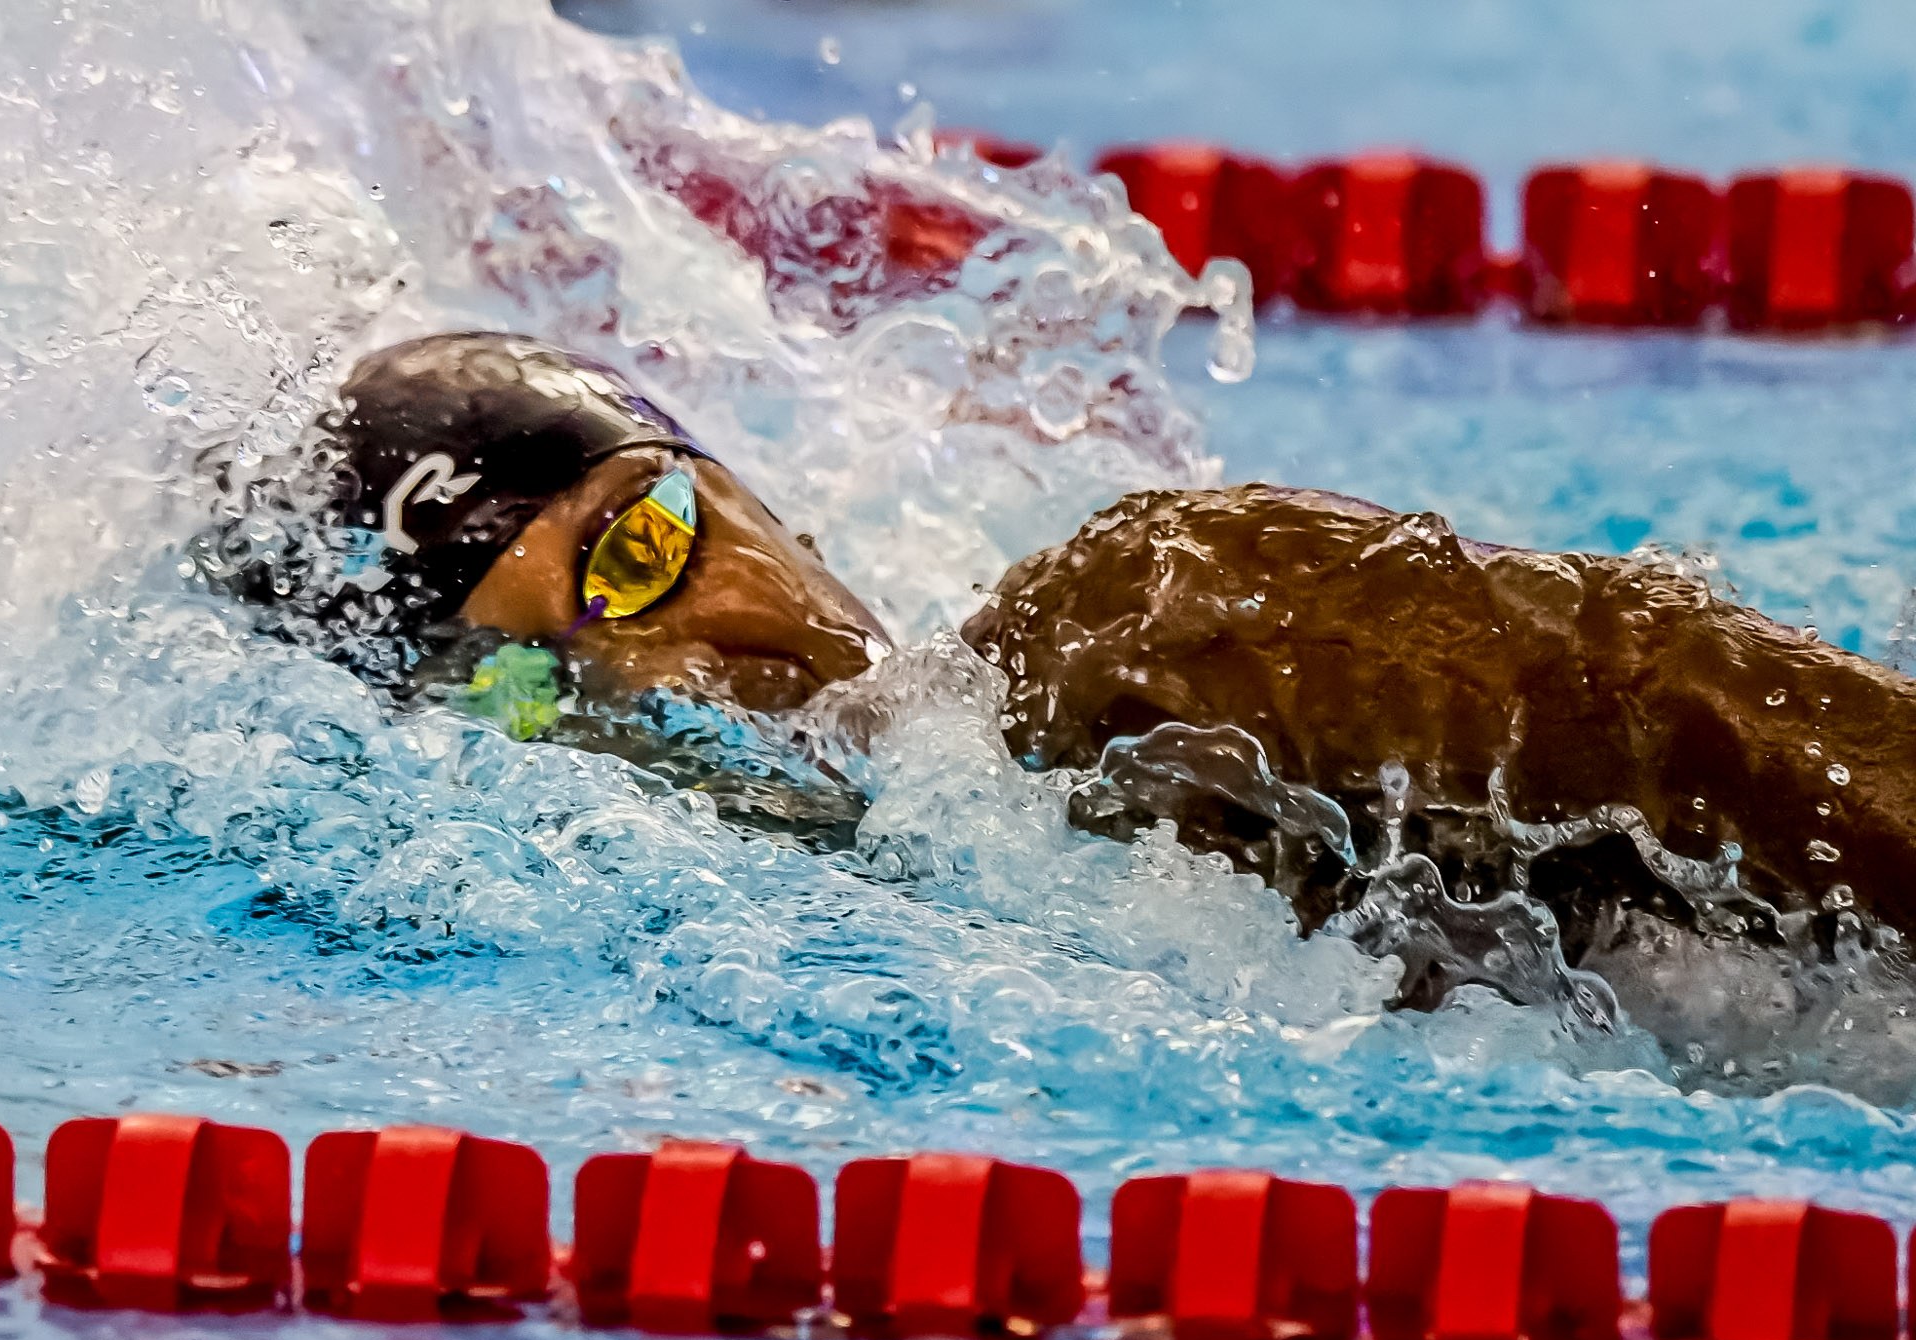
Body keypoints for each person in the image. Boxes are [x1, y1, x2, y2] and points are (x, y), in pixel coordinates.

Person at [206, 330, 1916, 993]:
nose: (653, 680)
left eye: (639, 555)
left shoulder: (1156, 624)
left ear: (745, 489)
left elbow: (1708, 715)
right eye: (527, 685)